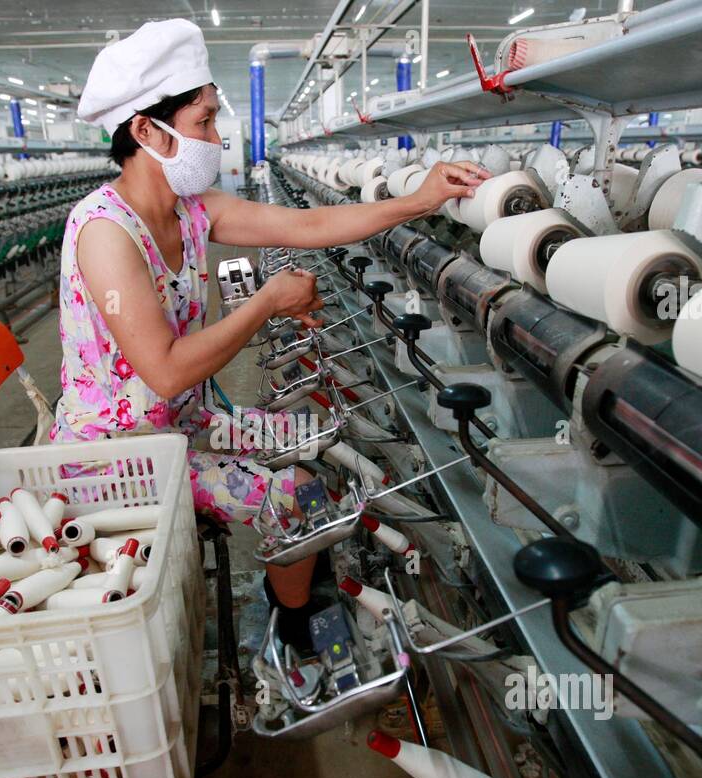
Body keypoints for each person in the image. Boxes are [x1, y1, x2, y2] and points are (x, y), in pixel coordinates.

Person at [52, 18, 487, 649]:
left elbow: (304, 226)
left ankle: (294, 590)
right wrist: (266, 303)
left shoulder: (191, 212)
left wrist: (415, 203)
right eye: (203, 122)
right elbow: (167, 370)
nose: (217, 135)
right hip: (121, 457)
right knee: (297, 492)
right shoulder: (104, 231)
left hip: (182, 423)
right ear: (147, 130)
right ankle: (299, 635)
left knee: (308, 435)